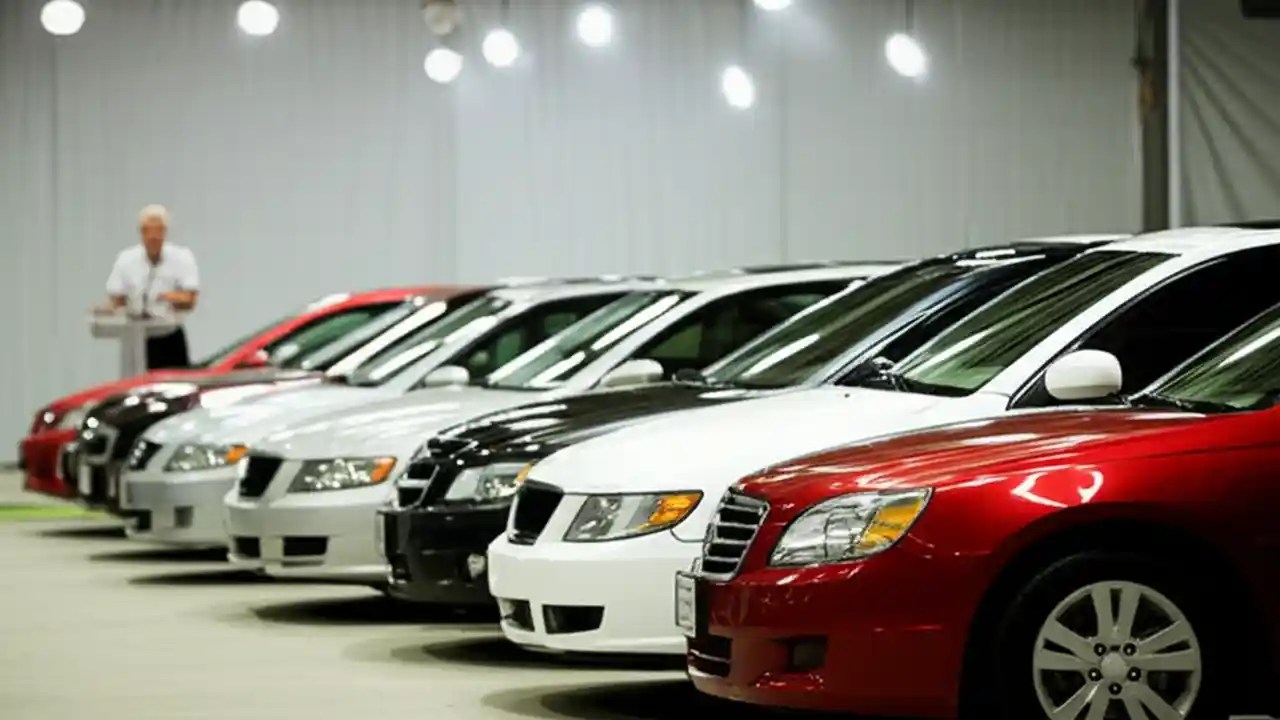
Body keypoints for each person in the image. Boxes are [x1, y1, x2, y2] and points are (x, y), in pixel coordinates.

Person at [101, 204, 199, 369]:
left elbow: (190, 299)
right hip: (136, 337)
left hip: (169, 335)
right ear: (141, 232)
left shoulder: (182, 257)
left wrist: (166, 296)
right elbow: (116, 299)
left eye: (158, 230)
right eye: (149, 230)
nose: (153, 236)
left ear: (165, 232)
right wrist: (108, 310)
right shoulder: (126, 260)